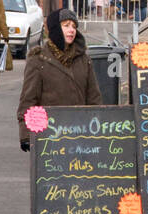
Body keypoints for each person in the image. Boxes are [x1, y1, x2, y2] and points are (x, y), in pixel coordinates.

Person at [17, 8, 103, 149]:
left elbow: (94, 97)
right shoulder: (38, 60)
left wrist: (98, 127)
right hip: (49, 135)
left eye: (74, 26)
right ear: (56, 29)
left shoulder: (84, 59)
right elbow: (29, 100)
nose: (71, 30)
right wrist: (26, 134)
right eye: (66, 25)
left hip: (81, 133)